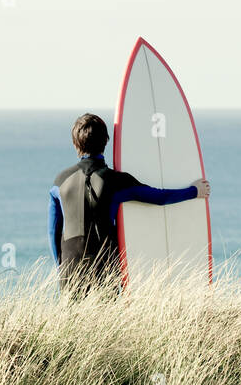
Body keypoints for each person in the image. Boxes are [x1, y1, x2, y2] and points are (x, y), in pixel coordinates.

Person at [48, 112, 210, 293]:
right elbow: (159, 197)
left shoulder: (59, 182)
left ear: (75, 143)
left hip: (70, 271)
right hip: (104, 269)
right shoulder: (116, 181)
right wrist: (195, 191)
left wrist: (60, 267)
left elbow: (53, 231)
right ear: (106, 141)